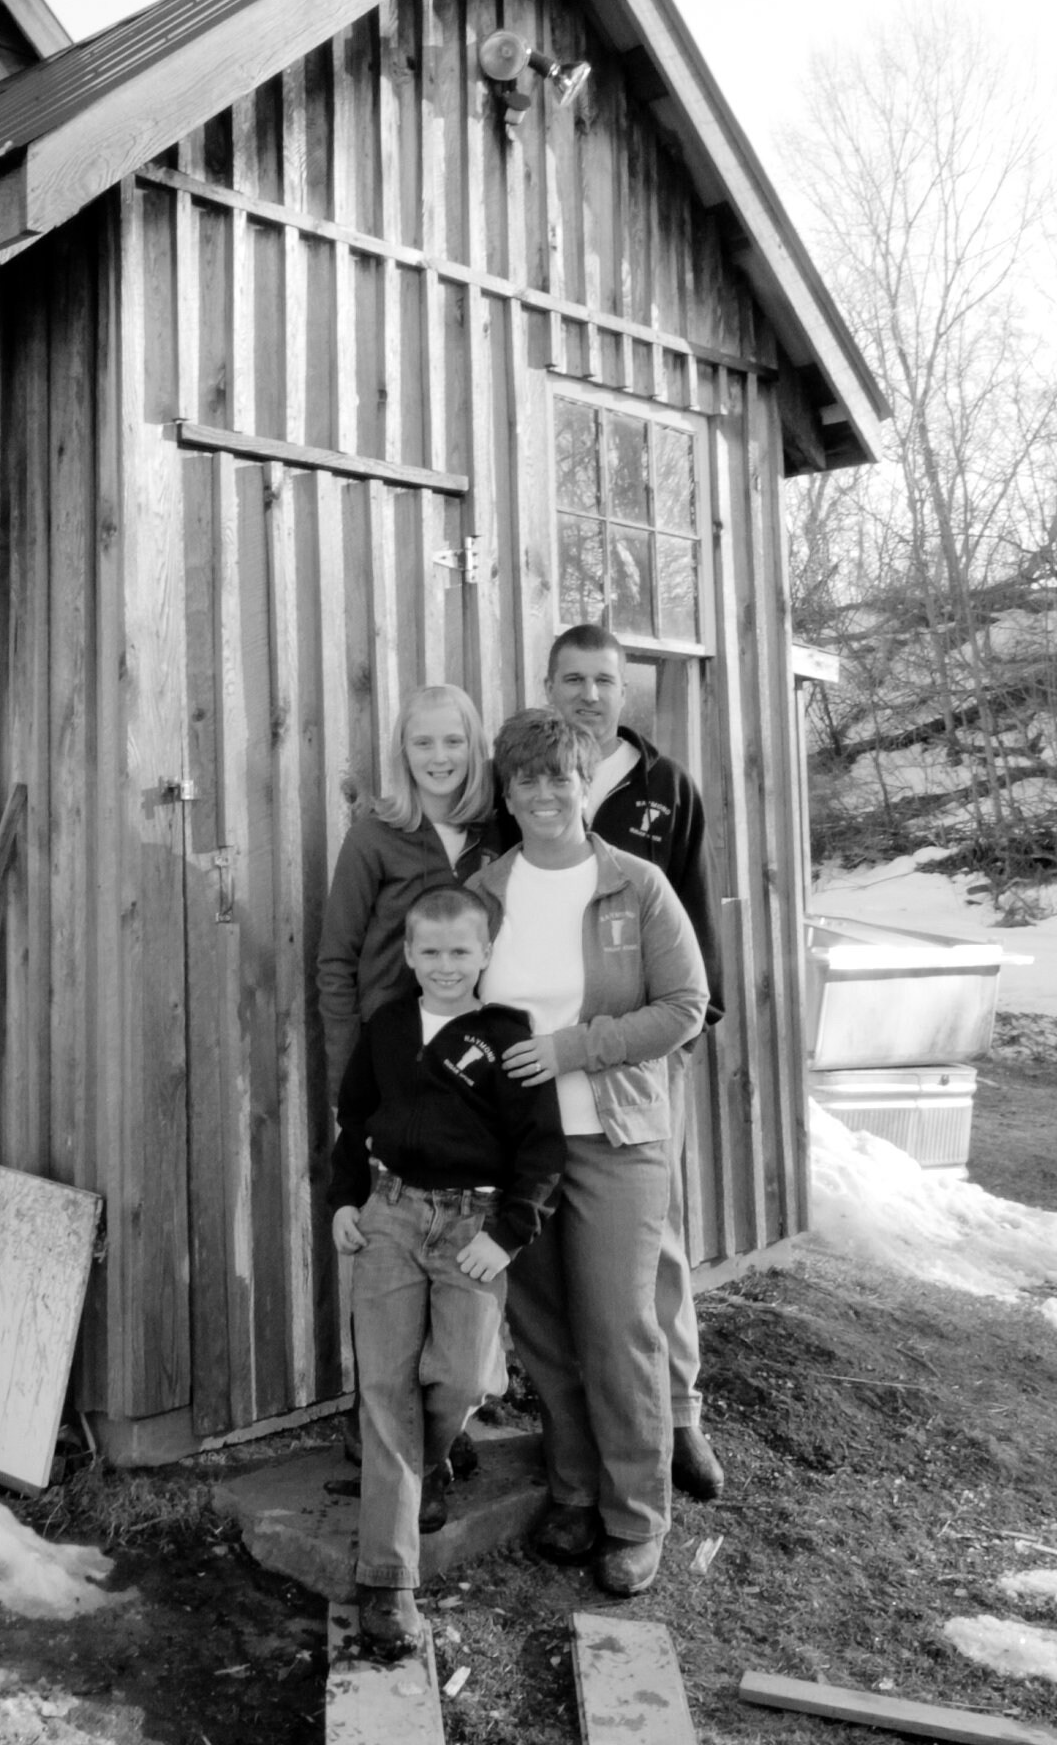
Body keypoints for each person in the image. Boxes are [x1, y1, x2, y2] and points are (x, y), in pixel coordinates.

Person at [467, 706, 707, 1597]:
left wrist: (574, 1046)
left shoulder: (635, 885)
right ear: (507, 790)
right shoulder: (488, 891)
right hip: (520, 1151)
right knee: (546, 1331)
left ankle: (637, 1518)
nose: (542, 793)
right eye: (524, 779)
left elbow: (684, 1007)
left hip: (616, 1139)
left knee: (617, 1327)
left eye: (558, 776)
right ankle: (571, 1492)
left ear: (584, 783)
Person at [496, 624, 730, 1503]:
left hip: (641, 1055)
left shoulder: (663, 789)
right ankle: (582, 1462)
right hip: (543, 1080)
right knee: (557, 1286)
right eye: (572, 680)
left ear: (624, 692)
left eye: (603, 680)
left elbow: (694, 926)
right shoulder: (530, 777)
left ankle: (677, 1418)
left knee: (647, 1256)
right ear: (548, 687)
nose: (588, 695)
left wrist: (683, 1035)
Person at [325, 886, 564, 1660]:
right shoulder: (388, 1027)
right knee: (386, 1384)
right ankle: (389, 1582)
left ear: (486, 953)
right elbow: (353, 1119)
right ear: (409, 955)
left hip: (472, 1227)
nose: (444, 966)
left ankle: (428, 1459)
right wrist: (344, 1199)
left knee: (461, 1377)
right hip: (390, 1215)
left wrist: (508, 1232)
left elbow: (541, 1150)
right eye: (429, 952)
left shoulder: (507, 1039)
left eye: (461, 951)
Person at [317, 684, 497, 1087]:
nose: (439, 757)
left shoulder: (498, 835)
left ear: (475, 748)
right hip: (390, 1050)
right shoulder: (372, 839)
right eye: (422, 743)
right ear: (403, 752)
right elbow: (336, 962)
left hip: (477, 1050)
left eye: (454, 741)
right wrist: (347, 1075)